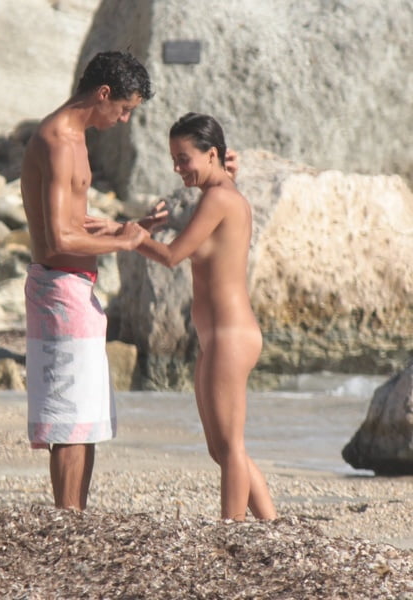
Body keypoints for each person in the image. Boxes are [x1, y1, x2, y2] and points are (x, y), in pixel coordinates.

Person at [20, 51, 159, 511]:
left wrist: (127, 227)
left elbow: (73, 222)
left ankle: (77, 517)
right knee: (69, 420)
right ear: (103, 94)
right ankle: (66, 520)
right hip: (59, 288)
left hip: (74, 290)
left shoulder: (76, 137)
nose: (123, 119)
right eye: (123, 109)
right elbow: (59, 238)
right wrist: (125, 245)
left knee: (87, 418)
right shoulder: (59, 140)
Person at [132, 112, 277, 521]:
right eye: (174, 159)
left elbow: (172, 255)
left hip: (232, 335)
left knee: (230, 446)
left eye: (184, 159)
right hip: (220, 337)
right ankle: (271, 524)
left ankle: (230, 531)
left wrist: (132, 237)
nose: (177, 168)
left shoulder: (218, 198)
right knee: (221, 447)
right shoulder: (221, 190)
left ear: (211, 154)